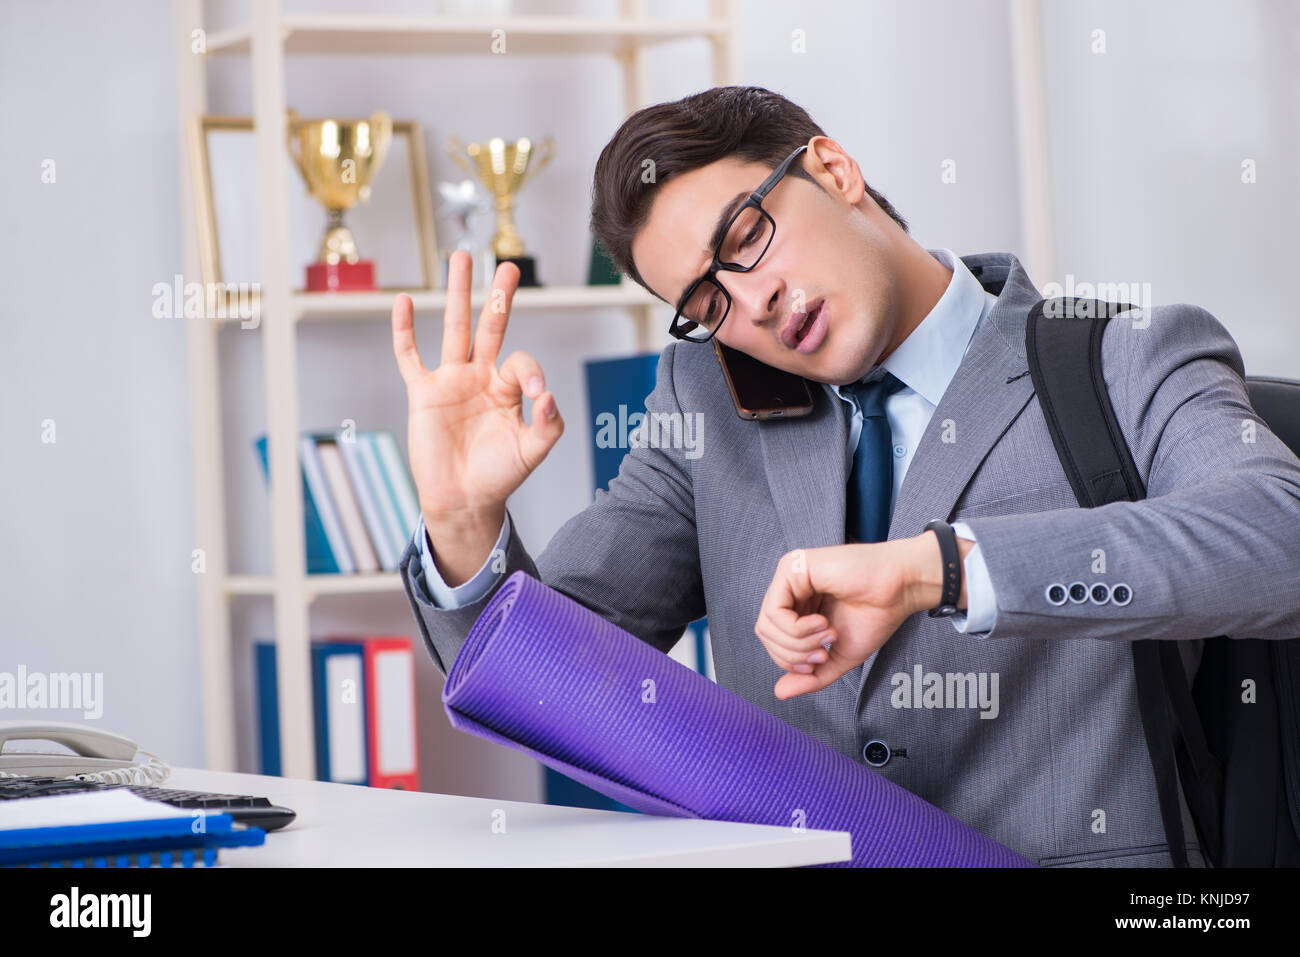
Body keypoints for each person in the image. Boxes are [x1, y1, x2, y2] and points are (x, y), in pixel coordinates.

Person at [390, 86, 1300, 867]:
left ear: (832, 169)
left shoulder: (1120, 354)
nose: (753, 303)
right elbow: (553, 681)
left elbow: (1279, 539)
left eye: (746, 238)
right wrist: (464, 521)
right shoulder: (705, 404)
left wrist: (937, 569)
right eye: (707, 305)